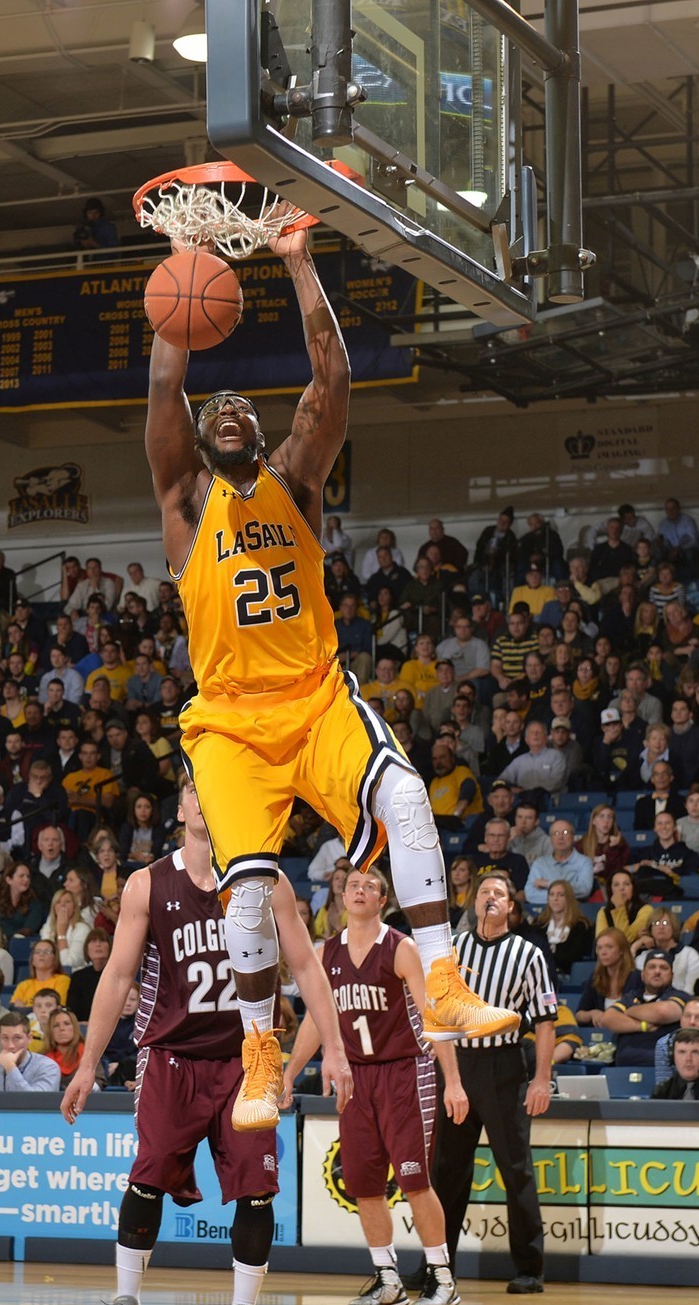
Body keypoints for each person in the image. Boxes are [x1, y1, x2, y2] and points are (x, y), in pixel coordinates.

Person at [142, 221, 507, 1134]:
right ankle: (261, 1051)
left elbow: (332, 382)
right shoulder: (185, 499)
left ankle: (446, 981)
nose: (228, 411)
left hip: (314, 698)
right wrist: (181, 281)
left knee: (410, 798)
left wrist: (299, 262)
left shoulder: (296, 482)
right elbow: (162, 385)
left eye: (244, 410)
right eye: (214, 408)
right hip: (227, 723)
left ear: (265, 433)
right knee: (253, 888)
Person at [61, 775, 351, 1305]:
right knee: (147, 1178)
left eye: (214, 790)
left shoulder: (265, 882)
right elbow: (118, 975)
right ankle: (126, 1302)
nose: (205, 798)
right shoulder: (147, 884)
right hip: (171, 1056)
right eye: (196, 790)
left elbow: (309, 968)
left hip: (249, 1060)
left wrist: (333, 1050)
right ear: (181, 806)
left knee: (258, 1191)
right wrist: (89, 1063)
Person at [281, 867, 470, 1305]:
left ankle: (442, 1276)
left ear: (383, 900)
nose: (360, 890)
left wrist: (454, 1082)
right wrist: (288, 1074)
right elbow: (314, 1023)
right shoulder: (325, 953)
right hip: (356, 1077)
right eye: (353, 885)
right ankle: (388, 1279)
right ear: (341, 896)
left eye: (370, 886)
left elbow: (432, 1015)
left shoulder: (401, 948)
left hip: (405, 1073)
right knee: (364, 1184)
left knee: (414, 1180)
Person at [426, 870, 548, 1294]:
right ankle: (439, 1267)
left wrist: (542, 1079)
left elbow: (547, 1023)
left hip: (505, 1066)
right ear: (474, 902)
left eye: (499, 893)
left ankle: (529, 1268)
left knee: (516, 1170)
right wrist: (449, 1079)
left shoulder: (528, 954)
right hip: (458, 1066)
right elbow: (438, 1017)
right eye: (484, 893)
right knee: (445, 1173)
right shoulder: (453, 950)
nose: (490, 898)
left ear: (511, 906)